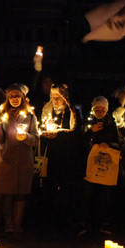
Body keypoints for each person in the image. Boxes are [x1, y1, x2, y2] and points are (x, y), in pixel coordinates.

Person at [0, 82, 38, 236]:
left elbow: (36, 139)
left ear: (23, 98)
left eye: (17, 96)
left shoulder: (30, 116)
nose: (14, 98)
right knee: (2, 194)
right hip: (4, 160)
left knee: (20, 194)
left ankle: (17, 227)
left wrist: (26, 137)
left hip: (24, 161)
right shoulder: (3, 114)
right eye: (11, 96)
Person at [77, 95, 121, 236]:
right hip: (89, 165)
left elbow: (120, 143)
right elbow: (80, 142)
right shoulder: (87, 123)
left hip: (106, 166)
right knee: (87, 195)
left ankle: (103, 223)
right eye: (97, 109)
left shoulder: (112, 124)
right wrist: (90, 131)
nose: (100, 111)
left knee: (105, 195)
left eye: (103, 109)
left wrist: (109, 145)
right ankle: (84, 223)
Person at [39, 83, 78, 233]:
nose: (55, 101)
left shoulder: (71, 112)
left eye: (58, 98)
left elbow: (74, 131)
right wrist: (46, 132)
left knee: (65, 189)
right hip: (51, 156)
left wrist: (59, 132)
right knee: (49, 187)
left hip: (66, 156)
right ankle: (48, 223)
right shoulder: (48, 111)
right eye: (53, 98)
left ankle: (65, 223)